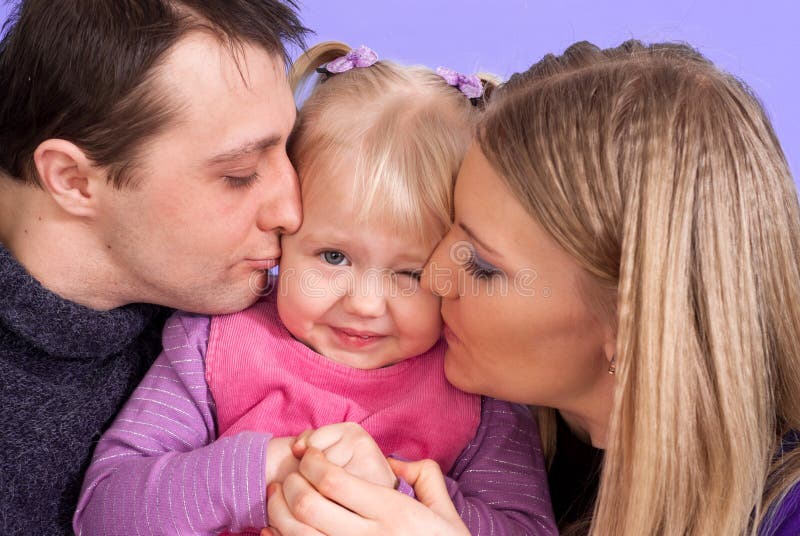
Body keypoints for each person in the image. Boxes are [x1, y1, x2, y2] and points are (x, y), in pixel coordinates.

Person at [263, 40, 800, 536]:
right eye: (450, 227)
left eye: (484, 266)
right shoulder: (507, 438)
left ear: (629, 330)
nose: (431, 275)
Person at [74, 42, 557, 536]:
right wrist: (267, 467)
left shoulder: (476, 387)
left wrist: (392, 494)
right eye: (334, 257)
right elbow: (104, 512)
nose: (364, 304)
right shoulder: (213, 346)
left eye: (410, 274)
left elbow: (529, 529)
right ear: (286, 231)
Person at [0, 1, 308, 534]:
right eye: (240, 173)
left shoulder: (277, 311)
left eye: (289, 150)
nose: (293, 212)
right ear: (73, 180)